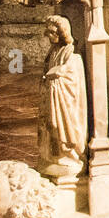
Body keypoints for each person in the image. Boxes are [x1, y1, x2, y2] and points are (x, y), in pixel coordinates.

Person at [38, 16, 87, 178]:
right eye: (48, 32)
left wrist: (58, 73)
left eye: (52, 32)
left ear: (62, 32)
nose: (49, 36)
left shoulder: (71, 52)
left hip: (64, 99)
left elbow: (71, 72)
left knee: (60, 126)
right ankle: (56, 156)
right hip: (52, 95)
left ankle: (70, 155)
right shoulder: (53, 51)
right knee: (51, 126)